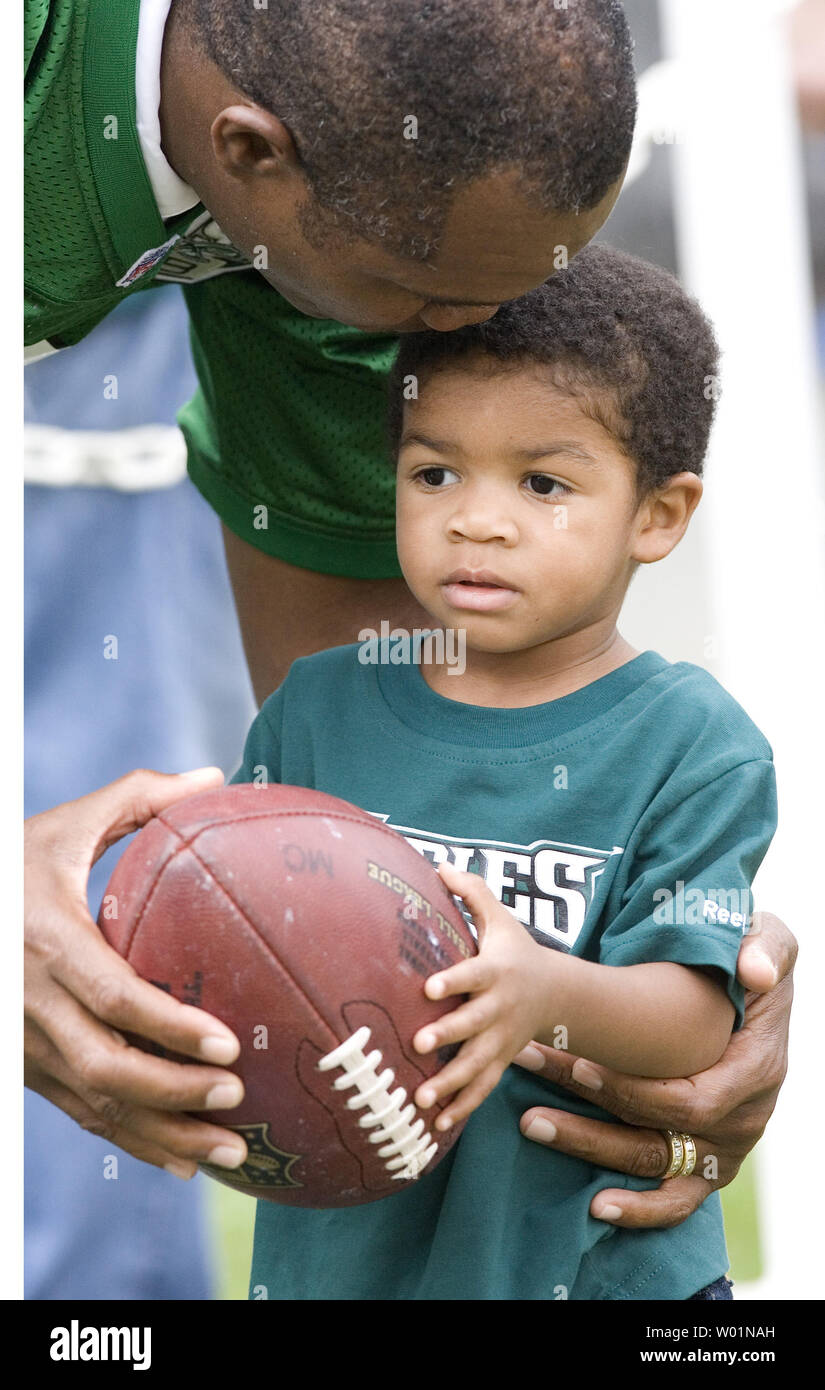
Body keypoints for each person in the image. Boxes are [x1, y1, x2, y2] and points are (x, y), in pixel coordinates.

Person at [24, 0, 794, 1236]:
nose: (459, 343)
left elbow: (394, 785)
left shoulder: (356, 251)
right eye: (429, 293)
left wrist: (643, 958)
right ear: (250, 151)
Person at [230, 245, 777, 1299]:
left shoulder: (695, 741)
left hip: (595, 1272)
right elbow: (230, 932)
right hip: (344, 1265)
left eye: (542, 482)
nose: (476, 519)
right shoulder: (314, 710)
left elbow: (699, 1016)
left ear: (657, 514)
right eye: (435, 472)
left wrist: (543, 995)